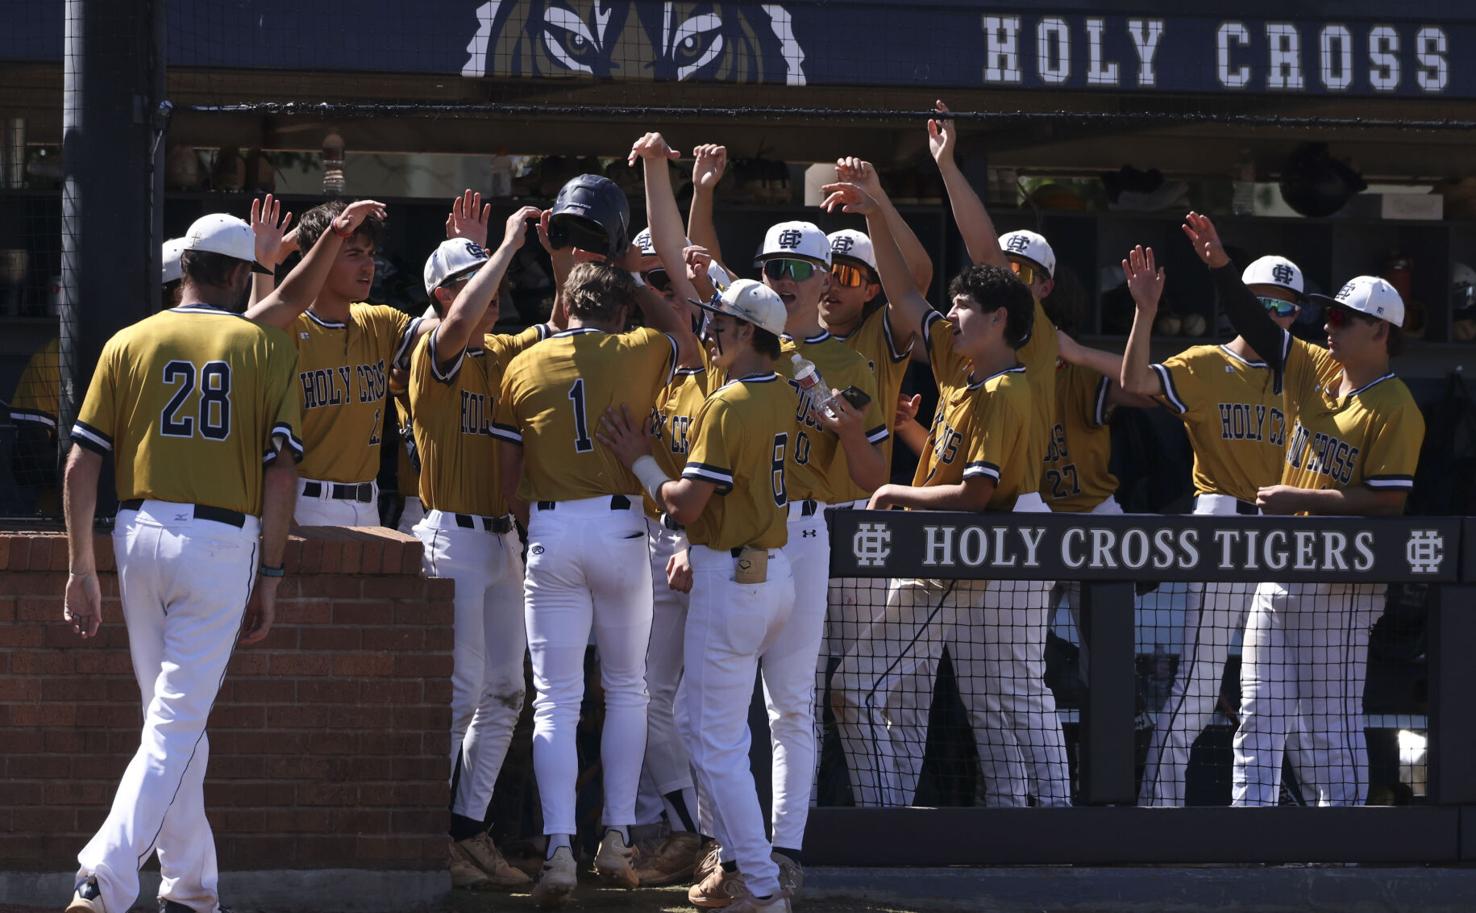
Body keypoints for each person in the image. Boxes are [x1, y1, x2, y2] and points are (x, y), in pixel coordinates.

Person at [61, 203, 379, 913]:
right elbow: (282, 472)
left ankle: (192, 890)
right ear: (239, 275)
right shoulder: (263, 346)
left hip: (135, 534)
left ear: (184, 268)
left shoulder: (131, 337)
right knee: (176, 723)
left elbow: (83, 462)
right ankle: (101, 879)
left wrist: (80, 565)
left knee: (171, 723)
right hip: (217, 543)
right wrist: (271, 570)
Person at [492, 135, 700, 907]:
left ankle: (557, 850)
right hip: (621, 532)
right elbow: (683, 337)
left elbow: (509, 481)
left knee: (555, 699)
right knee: (627, 686)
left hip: (550, 530)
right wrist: (633, 281)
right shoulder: (641, 346)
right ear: (611, 302)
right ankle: (615, 835)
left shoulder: (523, 362)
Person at [1182, 211, 1425, 807]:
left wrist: (1300, 499)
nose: (1329, 326)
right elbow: (1260, 332)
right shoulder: (1319, 369)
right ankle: (1253, 836)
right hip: (1281, 564)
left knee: (1329, 725)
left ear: (1381, 333)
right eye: (1329, 315)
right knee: (1258, 712)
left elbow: (1389, 502)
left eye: (1344, 319)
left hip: (1343, 579)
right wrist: (1221, 267)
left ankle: (1336, 847)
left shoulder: (1396, 407)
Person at [600, 277, 799, 913]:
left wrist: (640, 461)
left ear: (749, 334)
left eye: (721, 325)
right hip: (771, 574)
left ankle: (761, 888)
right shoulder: (783, 393)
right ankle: (738, 866)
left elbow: (685, 503)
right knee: (697, 724)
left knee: (717, 744)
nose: (710, 331)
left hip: (731, 578)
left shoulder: (731, 401)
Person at [830, 241, 1037, 810]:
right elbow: (902, 295)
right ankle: (894, 824)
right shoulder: (961, 367)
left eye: (963, 304)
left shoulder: (1006, 388)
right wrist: (873, 205)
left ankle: (885, 824)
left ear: (998, 319)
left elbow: (976, 494)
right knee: (897, 706)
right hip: (926, 553)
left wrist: (895, 488)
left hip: (955, 563)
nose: (950, 315)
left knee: (857, 688)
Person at [1118, 245, 1320, 806]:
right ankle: (1157, 813)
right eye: (1264, 304)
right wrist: (1145, 312)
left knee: (1291, 693)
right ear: (1240, 306)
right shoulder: (1207, 363)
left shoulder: (1305, 370)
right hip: (1223, 523)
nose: (1275, 316)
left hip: (1285, 532)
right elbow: (1135, 384)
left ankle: (1329, 824)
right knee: (1199, 684)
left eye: (1286, 307)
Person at [927, 100, 1071, 806]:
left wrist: (948, 166)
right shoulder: (971, 352)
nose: (1007, 273)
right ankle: (1011, 808)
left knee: (1018, 681)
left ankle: (1060, 811)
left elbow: (983, 256)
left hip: (1022, 511)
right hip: (985, 518)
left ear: (1038, 288)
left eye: (1023, 269)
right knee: (980, 681)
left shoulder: (1030, 332)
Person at [409, 207, 548, 889]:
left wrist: (549, 250)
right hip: (452, 534)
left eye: (490, 279)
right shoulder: (433, 343)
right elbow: (458, 324)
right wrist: (506, 245)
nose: (489, 292)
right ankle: (422, 835)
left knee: (506, 691)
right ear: (443, 292)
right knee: (460, 692)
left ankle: (465, 832)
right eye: (469, 281)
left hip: (503, 541)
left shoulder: (506, 352)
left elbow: (566, 333)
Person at [749, 216, 888, 893]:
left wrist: (852, 430)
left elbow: (872, 474)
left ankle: (784, 849)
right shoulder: (745, 340)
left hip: (806, 533)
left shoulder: (851, 364)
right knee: (700, 704)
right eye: (773, 266)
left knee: (792, 704)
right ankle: (723, 841)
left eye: (797, 267)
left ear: (824, 279)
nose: (782, 278)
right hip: (739, 531)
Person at [244, 197, 439, 526]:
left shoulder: (379, 321)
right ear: (323, 257)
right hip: (301, 502)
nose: (368, 266)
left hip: (368, 504)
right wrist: (269, 260)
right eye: (354, 254)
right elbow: (255, 325)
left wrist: (462, 264)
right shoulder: (291, 325)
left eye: (370, 254)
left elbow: (450, 327)